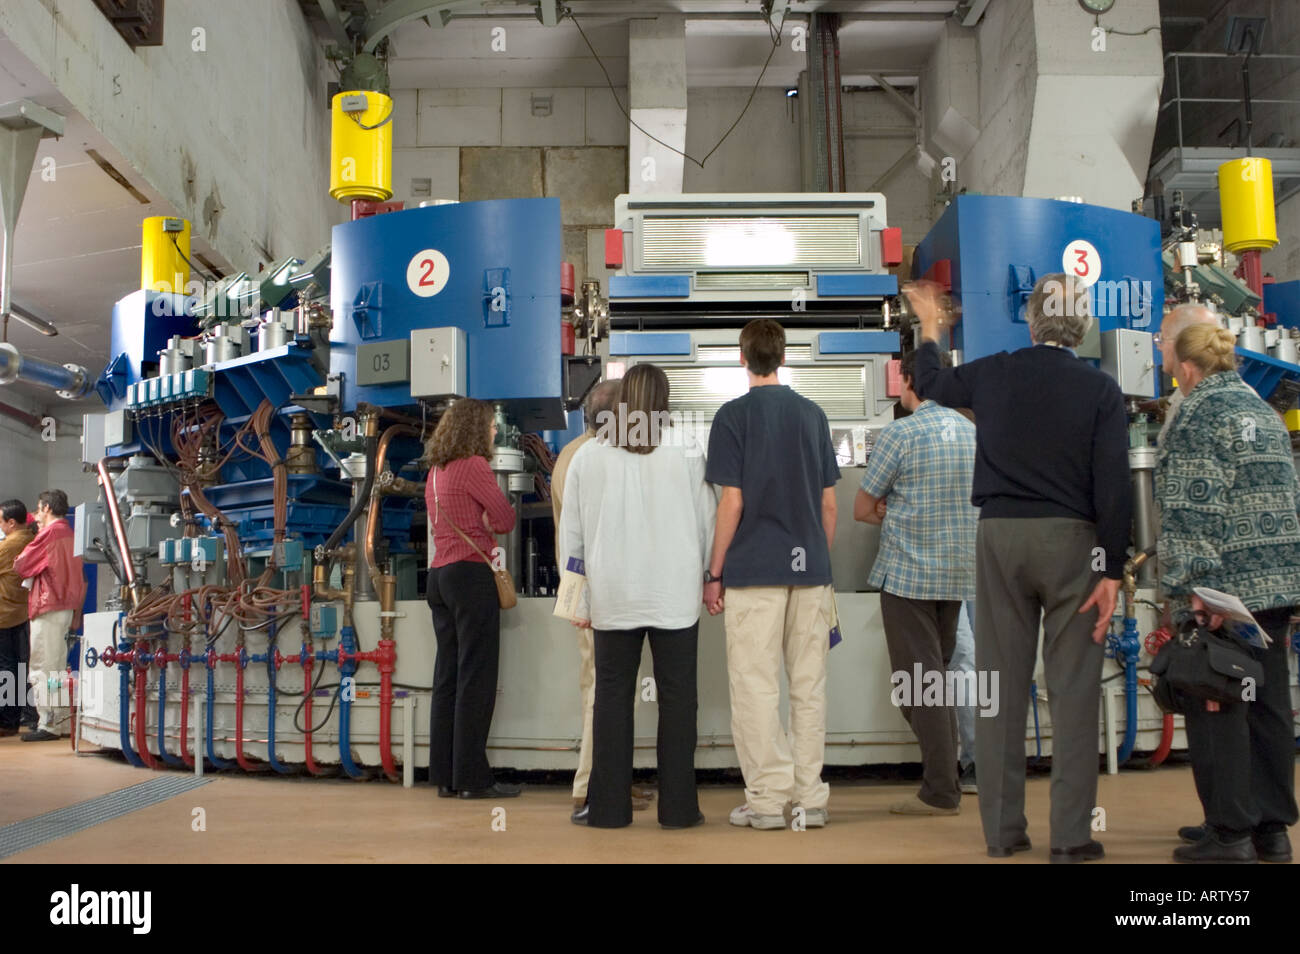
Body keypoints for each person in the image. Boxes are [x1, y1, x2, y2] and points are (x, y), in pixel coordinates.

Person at [907, 274, 1131, 863]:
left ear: (1030, 322)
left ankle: (1003, 835)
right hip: (1073, 544)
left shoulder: (994, 370)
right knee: (1073, 689)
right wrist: (1111, 568)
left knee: (1000, 688)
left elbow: (928, 381)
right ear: (1080, 329)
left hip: (1000, 538)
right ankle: (1071, 839)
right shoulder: (1100, 389)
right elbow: (1113, 485)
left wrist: (932, 325)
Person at [1157, 322, 1300, 863]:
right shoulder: (1262, 411)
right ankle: (1271, 829)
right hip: (1278, 584)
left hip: (1227, 594)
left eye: (1169, 352)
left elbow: (1194, 506)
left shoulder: (1197, 415)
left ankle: (1229, 833)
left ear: (1187, 367)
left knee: (1215, 701)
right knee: (1268, 705)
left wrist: (1195, 590)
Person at [560, 364, 715, 828]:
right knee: (678, 701)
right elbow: (706, 522)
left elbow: (573, 538)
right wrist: (709, 576)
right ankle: (679, 809)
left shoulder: (590, 456)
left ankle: (608, 809)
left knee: (610, 700)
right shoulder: (687, 450)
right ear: (664, 401)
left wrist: (578, 599)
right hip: (674, 597)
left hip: (613, 597)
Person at [705, 318, 840, 831]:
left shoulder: (731, 417)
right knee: (808, 686)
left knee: (756, 686)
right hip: (811, 574)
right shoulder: (812, 416)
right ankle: (811, 799)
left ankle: (767, 802)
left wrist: (713, 573)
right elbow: (829, 505)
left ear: (743, 358)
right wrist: (815, 561)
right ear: (782, 357)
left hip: (753, 573)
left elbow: (731, 503)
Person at [854, 348, 977, 816]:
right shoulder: (971, 432)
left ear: (908, 381)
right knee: (935, 681)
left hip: (909, 579)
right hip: (958, 578)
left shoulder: (900, 434)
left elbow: (861, 508)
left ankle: (940, 791)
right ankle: (946, 777)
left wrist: (890, 509)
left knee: (918, 685)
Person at [550, 379, 654, 814]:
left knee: (602, 686)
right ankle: (590, 783)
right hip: (596, 591)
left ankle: (608, 776)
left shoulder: (571, 453)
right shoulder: (591, 458)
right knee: (602, 688)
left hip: (586, 587)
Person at [424, 399, 519, 798]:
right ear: (474, 430)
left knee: (447, 677)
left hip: (438, 576)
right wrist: (484, 521)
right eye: (490, 426)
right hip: (469, 574)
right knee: (476, 677)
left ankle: (445, 776)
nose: (495, 432)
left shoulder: (436, 471)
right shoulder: (474, 466)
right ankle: (473, 779)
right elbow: (505, 518)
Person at [14, 490, 85, 742]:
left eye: (38, 508)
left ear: (45, 507)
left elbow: (21, 564)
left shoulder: (48, 534)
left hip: (48, 605)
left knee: (42, 668)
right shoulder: (71, 534)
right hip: (66, 607)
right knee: (56, 668)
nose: (36, 512)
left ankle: (49, 723)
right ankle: (61, 720)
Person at [1157, 304, 1220, 446]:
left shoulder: (1194, 409)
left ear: (1182, 344)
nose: (1159, 347)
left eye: (1162, 338)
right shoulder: (1247, 395)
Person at [0, 500, 36, 737]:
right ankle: (19, 717)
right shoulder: (32, 540)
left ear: (11, 522)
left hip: (4, 615)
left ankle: (6, 721)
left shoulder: (9, 545)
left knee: (6, 669)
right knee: (20, 667)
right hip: (23, 613)